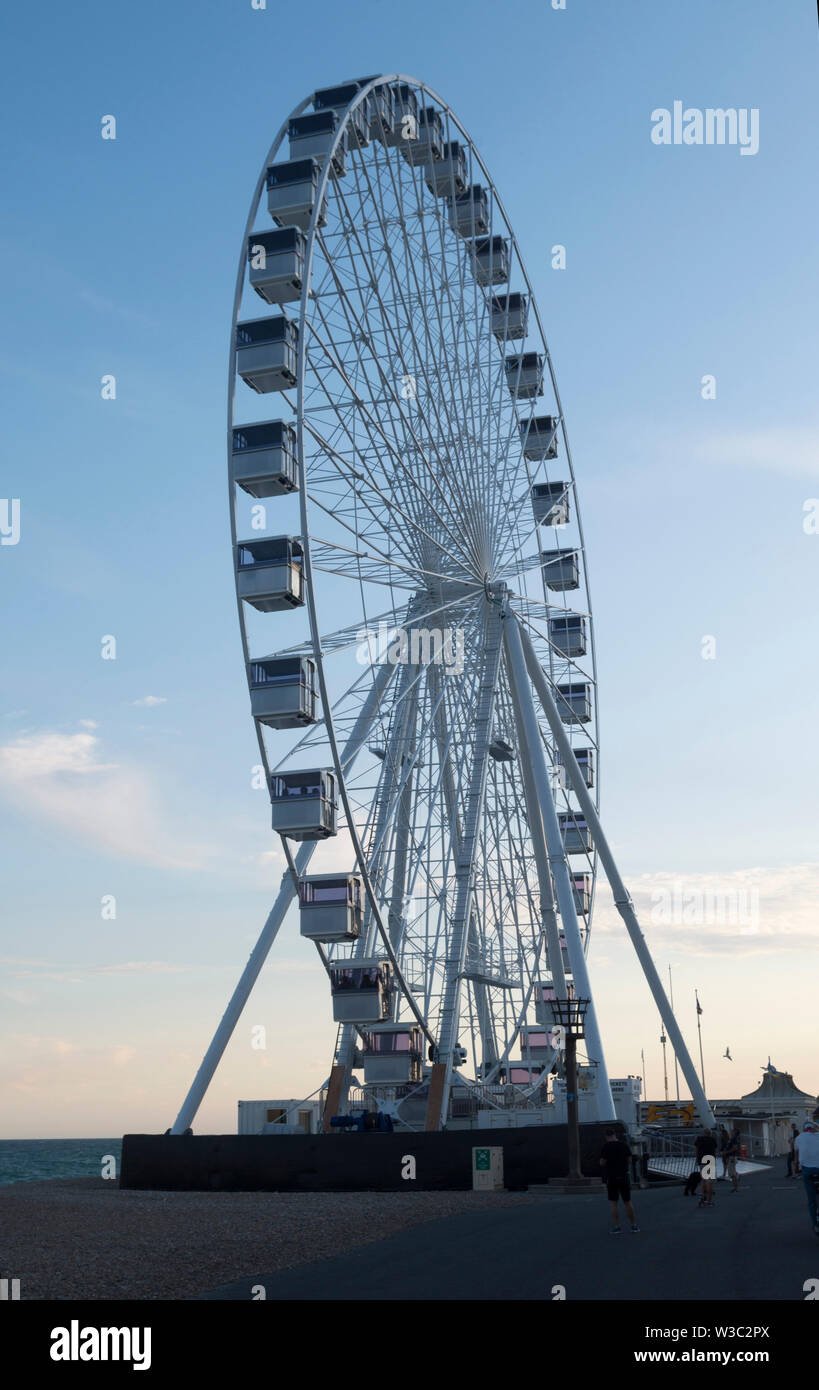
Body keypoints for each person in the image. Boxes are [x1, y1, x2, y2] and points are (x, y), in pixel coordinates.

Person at [599, 1127, 639, 1233]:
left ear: (606, 1137)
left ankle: (617, 1227)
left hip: (611, 1177)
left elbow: (602, 1163)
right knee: (627, 1201)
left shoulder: (606, 1147)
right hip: (624, 1175)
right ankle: (633, 1225)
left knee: (613, 1203)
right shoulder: (623, 1145)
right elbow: (630, 1160)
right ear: (615, 1135)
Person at [794, 1120, 819, 1235]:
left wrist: (796, 1169)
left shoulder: (799, 1137)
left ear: (804, 1129)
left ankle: (815, 1224)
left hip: (807, 1171)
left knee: (811, 1200)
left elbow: (796, 1156)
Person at [695, 1126, 717, 1208]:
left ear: (703, 1133)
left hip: (702, 1159)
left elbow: (696, 1149)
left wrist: (697, 1158)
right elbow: (714, 1150)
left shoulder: (699, 1139)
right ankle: (709, 1201)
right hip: (710, 1159)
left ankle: (702, 1196)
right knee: (709, 1180)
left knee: (703, 1179)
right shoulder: (712, 1140)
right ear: (710, 1134)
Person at [723, 1126, 741, 1193]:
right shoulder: (732, 1139)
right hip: (730, 1157)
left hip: (732, 1157)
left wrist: (726, 1152)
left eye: (732, 1131)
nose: (731, 1131)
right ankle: (735, 1187)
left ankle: (735, 1188)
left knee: (732, 1174)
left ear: (735, 1132)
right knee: (732, 1173)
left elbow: (735, 1148)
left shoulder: (734, 1139)